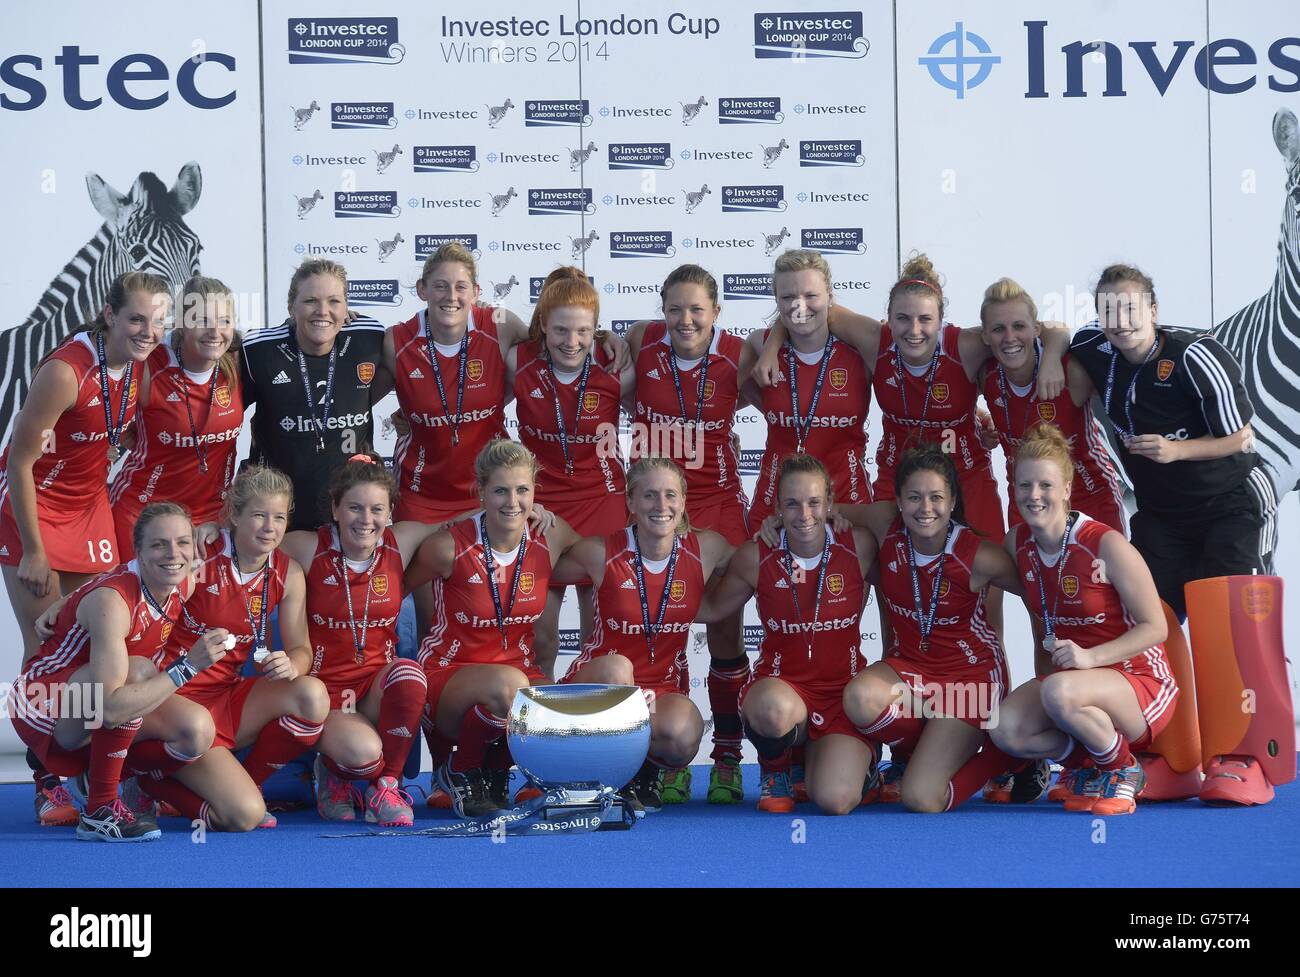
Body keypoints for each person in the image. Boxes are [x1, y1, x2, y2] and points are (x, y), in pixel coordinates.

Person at [1069, 263, 1285, 804]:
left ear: (1154, 312)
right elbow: (1063, 340)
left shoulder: (1195, 355)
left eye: (1131, 309)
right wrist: (1054, 358)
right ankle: (1175, 755)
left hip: (1228, 504)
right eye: (1109, 310)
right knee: (1151, 624)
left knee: (1228, 626)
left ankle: (1243, 758)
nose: (1120, 322)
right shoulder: (1096, 348)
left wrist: (1175, 449)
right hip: (1162, 515)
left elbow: (1242, 439)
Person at [0, 271, 169, 825]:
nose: (147, 331)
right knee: (42, 650)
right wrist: (32, 549)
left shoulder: (141, 362)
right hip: (36, 510)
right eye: (136, 319)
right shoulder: (65, 371)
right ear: (109, 315)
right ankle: (47, 781)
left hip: (88, 506)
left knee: (90, 646)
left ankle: (99, 784)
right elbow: (20, 462)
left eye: (157, 320)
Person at [838, 444, 1047, 812]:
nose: (925, 508)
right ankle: (911, 753)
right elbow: (823, 510)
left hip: (970, 679)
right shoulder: (884, 522)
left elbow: (1042, 597)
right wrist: (781, 520)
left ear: (952, 502)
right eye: (914, 497)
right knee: (859, 698)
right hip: (912, 671)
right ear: (899, 502)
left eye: (936, 497)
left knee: (921, 798)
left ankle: (1007, 756)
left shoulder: (979, 555)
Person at [124, 466, 330, 830]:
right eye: (259, 516)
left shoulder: (288, 572)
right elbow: (126, 580)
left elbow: (301, 649)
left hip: (225, 696)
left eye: (279, 517)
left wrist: (292, 665)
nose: (270, 527)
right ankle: (149, 779)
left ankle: (242, 783)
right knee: (244, 817)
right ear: (234, 515)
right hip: (174, 699)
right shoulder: (201, 552)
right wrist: (69, 604)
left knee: (312, 694)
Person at [9, 503, 230, 841]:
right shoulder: (113, 601)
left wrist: (218, 523)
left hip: (99, 696)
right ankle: (99, 810)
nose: (174, 553)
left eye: (183, 542)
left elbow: (251, 535)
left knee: (197, 730)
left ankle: (102, 776)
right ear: (138, 551)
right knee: (139, 670)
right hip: (45, 705)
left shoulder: (182, 582)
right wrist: (189, 666)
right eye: (159, 544)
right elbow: (109, 707)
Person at [623, 264, 759, 805]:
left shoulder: (739, 355)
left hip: (717, 505)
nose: (685, 319)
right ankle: (668, 759)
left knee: (724, 630)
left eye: (696, 310)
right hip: (657, 504)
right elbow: (613, 392)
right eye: (674, 308)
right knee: (661, 628)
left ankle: (727, 755)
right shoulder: (640, 343)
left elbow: (780, 402)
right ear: (661, 310)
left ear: (716, 313)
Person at [989, 424, 1175, 815]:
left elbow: (1156, 626)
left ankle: (1124, 771)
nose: (1033, 496)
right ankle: (1087, 766)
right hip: (1074, 684)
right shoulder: (1016, 542)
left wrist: (1091, 658)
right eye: (1024, 486)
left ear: (1067, 489)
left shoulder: (1104, 543)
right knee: (1004, 727)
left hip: (1138, 683)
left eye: (1045, 485)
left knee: (1059, 692)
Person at [406, 440, 581, 818]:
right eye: (500, 490)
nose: (513, 502)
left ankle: (496, 773)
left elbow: (602, 566)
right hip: (448, 678)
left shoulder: (551, 535)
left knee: (570, 711)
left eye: (523, 490)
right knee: (509, 687)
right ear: (481, 492)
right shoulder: (447, 546)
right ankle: (460, 770)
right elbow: (393, 589)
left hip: (519, 677)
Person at [272, 454, 449, 826]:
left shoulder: (403, 538)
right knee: (363, 753)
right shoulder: (306, 546)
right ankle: (335, 774)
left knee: (411, 675)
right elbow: (249, 543)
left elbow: (468, 525)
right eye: (354, 507)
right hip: (327, 697)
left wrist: (527, 513)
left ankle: (387, 785)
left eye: (376, 509)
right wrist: (211, 533)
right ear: (335, 508)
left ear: (389, 513)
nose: (366, 520)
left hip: (374, 691)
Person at [550, 458, 731, 813]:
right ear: (631, 503)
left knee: (682, 734)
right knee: (618, 668)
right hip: (602, 681)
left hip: (662, 687)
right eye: (649, 496)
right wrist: (545, 523)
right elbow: (535, 564)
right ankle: (609, 776)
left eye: (669, 495)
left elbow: (760, 563)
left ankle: (643, 773)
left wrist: (791, 528)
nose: (661, 506)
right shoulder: (602, 551)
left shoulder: (706, 549)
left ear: (682, 501)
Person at [704, 454, 879, 815]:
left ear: (830, 503)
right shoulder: (755, 556)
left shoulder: (859, 544)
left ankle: (843, 765)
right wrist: (653, 571)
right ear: (777, 508)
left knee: (835, 801)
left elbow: (899, 523)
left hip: (840, 696)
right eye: (792, 504)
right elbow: (712, 610)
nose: (804, 515)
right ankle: (776, 769)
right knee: (773, 710)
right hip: (782, 688)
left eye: (815, 503)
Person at [509, 266, 631, 679]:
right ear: (543, 325)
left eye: (584, 331)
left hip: (604, 501)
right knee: (540, 636)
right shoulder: (517, 361)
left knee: (601, 635)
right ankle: (538, 731)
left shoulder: (615, 366)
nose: (572, 341)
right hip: (543, 507)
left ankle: (599, 736)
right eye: (561, 330)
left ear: (596, 330)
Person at [240, 259, 391, 533]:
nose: (323, 311)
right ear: (291, 307)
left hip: (349, 514)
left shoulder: (369, 337)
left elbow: (419, 364)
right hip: (277, 513)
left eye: (334, 301)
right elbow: (218, 406)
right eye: (310, 300)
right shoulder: (259, 349)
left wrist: (479, 318)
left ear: (347, 307)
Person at [975, 277, 1125, 536]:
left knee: (1102, 576)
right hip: (1027, 500)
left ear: (1036, 328)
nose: (1009, 338)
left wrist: (1053, 354)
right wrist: (980, 422)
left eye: (1019, 326)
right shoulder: (985, 374)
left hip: (1089, 497)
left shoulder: (1070, 373)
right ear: (985, 335)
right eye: (999, 329)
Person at [110, 275, 244, 558]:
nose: (215, 331)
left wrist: (347, 322)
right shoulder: (150, 363)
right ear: (181, 324)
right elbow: (100, 402)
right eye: (202, 320)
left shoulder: (238, 361)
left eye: (224, 321)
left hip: (210, 519)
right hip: (144, 515)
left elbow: (300, 340)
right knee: (137, 601)